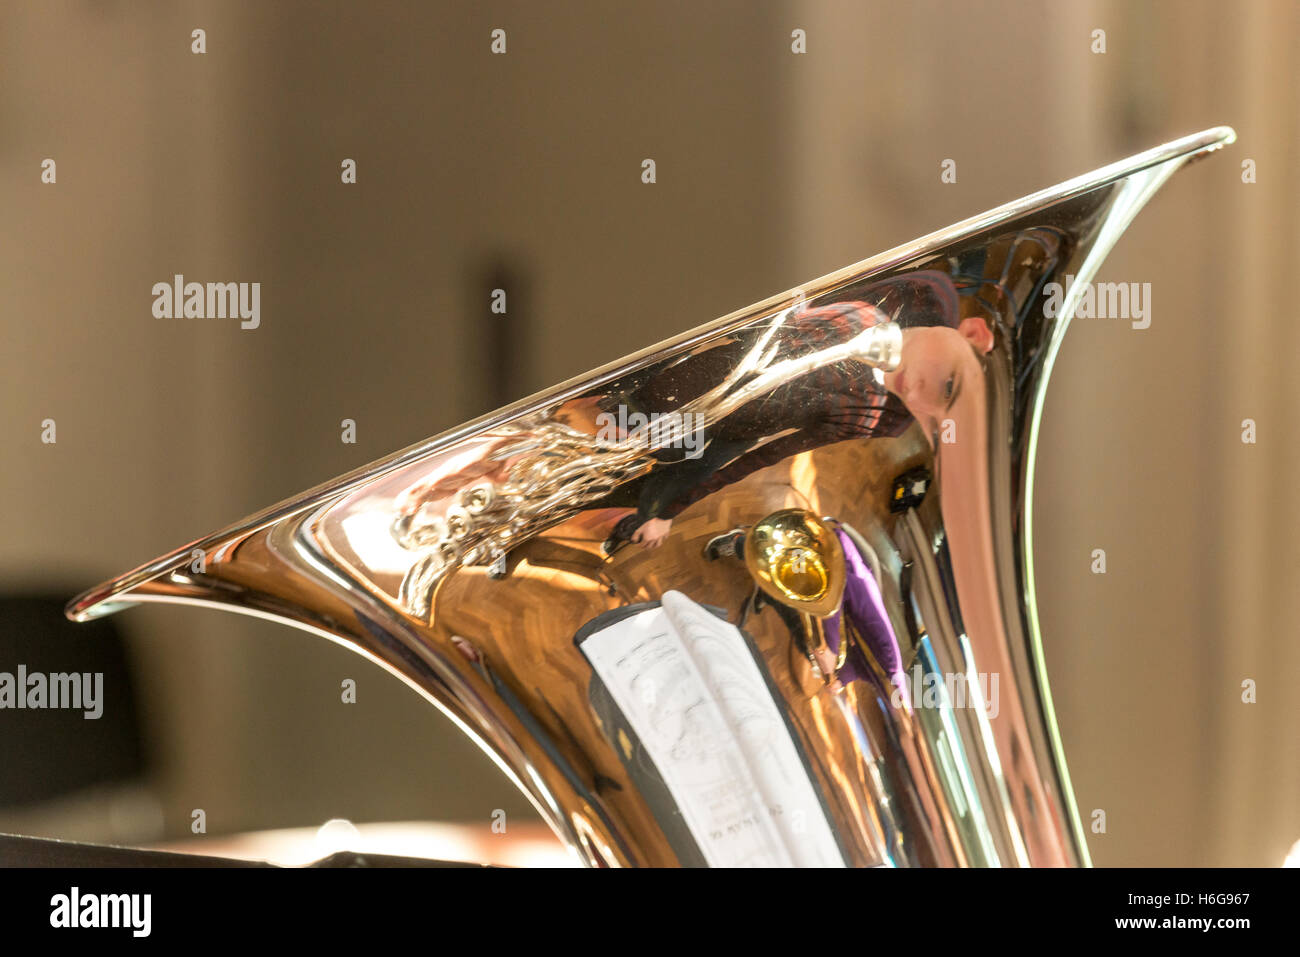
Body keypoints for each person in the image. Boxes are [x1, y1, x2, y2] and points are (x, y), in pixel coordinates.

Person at [600, 270, 995, 549]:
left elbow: (771, 453)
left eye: (935, 420)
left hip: (731, 432)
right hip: (692, 380)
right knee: (617, 429)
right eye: (949, 386)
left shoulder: (879, 415)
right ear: (975, 334)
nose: (922, 400)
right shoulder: (887, 304)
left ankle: (615, 506)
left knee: (651, 486)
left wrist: (667, 512)